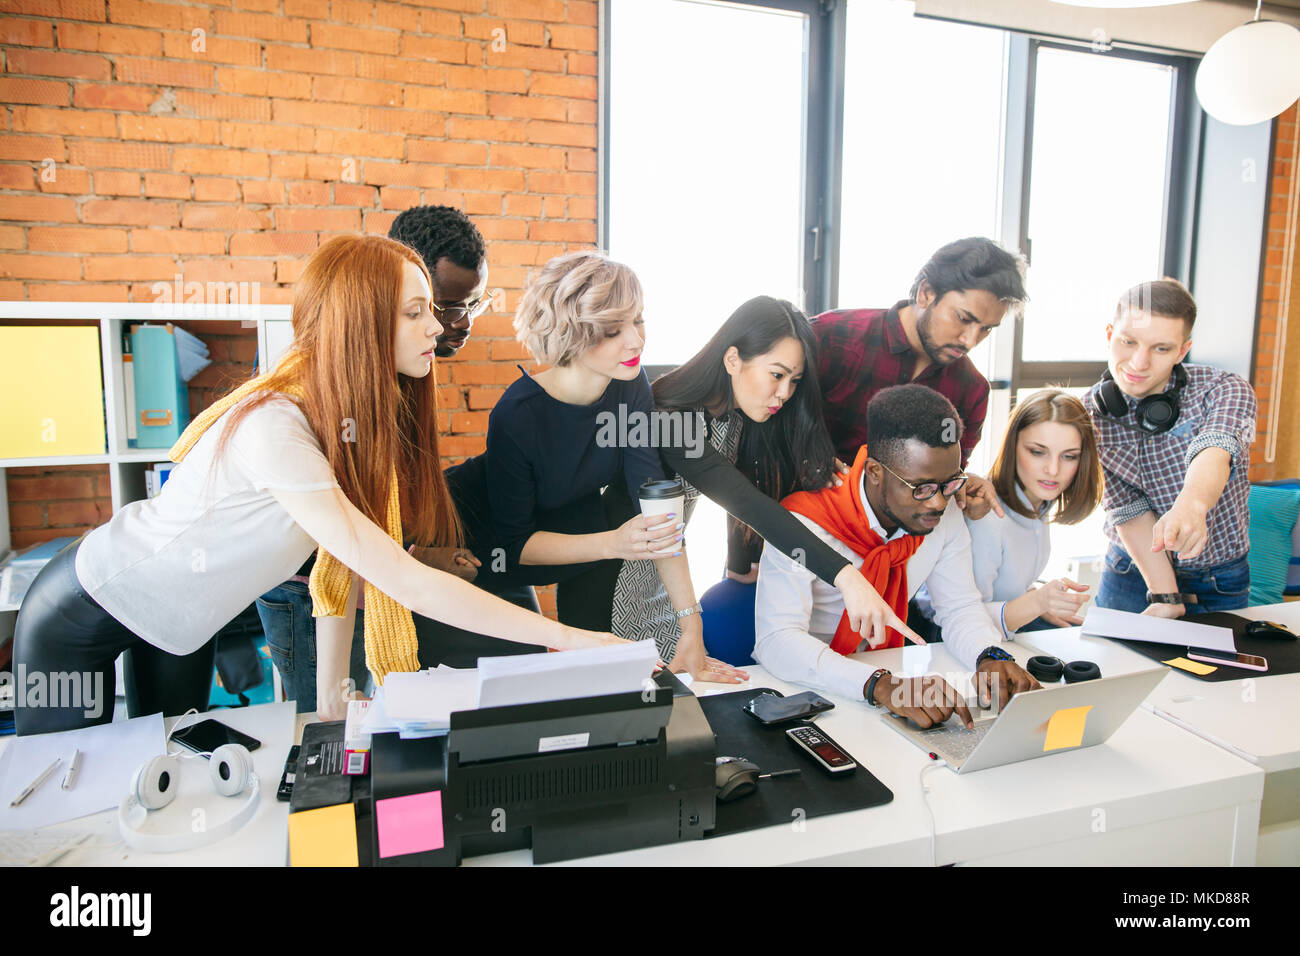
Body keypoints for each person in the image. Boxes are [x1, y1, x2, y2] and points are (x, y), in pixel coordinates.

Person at [13, 234, 622, 735]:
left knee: (166, 774)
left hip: (182, 626)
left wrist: (332, 697)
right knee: (64, 794)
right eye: (414, 313)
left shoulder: (355, 425)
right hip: (83, 611)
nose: (435, 329)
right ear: (360, 322)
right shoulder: (276, 426)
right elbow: (403, 577)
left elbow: (341, 568)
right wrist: (565, 638)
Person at [454, 251, 746, 683]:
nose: (636, 341)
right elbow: (514, 544)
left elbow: (656, 508)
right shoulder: (517, 414)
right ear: (572, 334)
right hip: (474, 555)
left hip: (576, 545)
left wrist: (691, 627)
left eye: (638, 321)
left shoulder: (628, 383)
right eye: (613, 330)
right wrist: (614, 542)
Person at [255, 205, 498, 715]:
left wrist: (413, 553)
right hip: (308, 585)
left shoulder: (408, 369)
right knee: (326, 726)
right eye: (442, 306)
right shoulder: (311, 387)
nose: (456, 324)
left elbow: (375, 499)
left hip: (367, 576)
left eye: (473, 304)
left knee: (361, 718)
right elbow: (338, 532)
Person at [603, 296, 924, 664]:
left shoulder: (734, 415)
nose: (785, 393)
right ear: (733, 359)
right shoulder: (670, 417)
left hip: (663, 579)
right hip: (615, 579)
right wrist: (847, 577)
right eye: (777, 375)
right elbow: (747, 503)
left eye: (794, 381)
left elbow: (755, 488)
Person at [754, 385, 1039, 727]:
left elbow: (959, 607)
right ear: (875, 472)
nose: (938, 502)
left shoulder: (942, 514)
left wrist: (989, 655)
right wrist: (879, 685)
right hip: (811, 693)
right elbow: (776, 641)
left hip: (894, 685)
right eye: (922, 488)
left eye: (950, 483)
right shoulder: (802, 523)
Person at [808, 237, 1028, 531]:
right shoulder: (832, 338)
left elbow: (941, 480)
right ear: (926, 293)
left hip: (894, 546)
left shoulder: (972, 391)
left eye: (986, 329)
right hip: (796, 526)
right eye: (963, 318)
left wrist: (963, 486)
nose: (971, 340)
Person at [1086, 279, 1258, 617]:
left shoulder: (1225, 389)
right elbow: (1127, 508)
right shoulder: (1089, 414)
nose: (1138, 363)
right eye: (1128, 342)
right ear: (1109, 334)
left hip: (1217, 577)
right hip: (1132, 569)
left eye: (1161, 349)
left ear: (1182, 351)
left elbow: (1215, 448)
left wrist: (1191, 506)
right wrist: (1165, 597)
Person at [969, 389, 1103, 635]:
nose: (1053, 470)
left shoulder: (1039, 503)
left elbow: (1007, 589)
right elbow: (958, 618)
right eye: (1038, 452)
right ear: (1012, 447)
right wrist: (1037, 603)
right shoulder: (985, 516)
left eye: (1069, 456)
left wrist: (1040, 602)